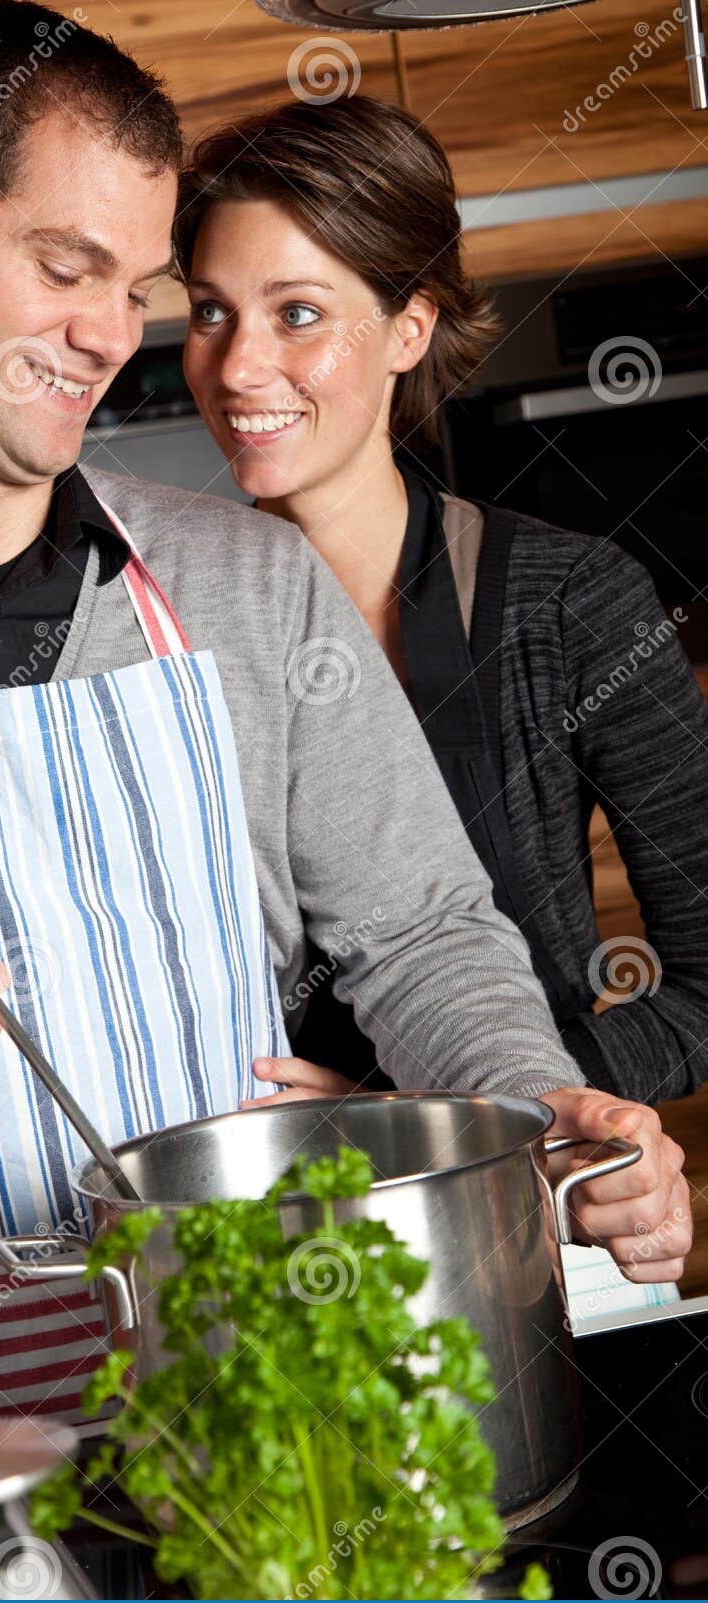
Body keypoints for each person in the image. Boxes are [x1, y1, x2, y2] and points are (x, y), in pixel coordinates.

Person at [0, 3, 688, 1451]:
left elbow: (424, 934)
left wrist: (535, 1121)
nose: (108, 334)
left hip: (269, 1414)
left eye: (133, 283)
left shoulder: (243, 584)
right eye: (62, 267)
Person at [176, 93, 708, 1127]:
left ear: (407, 328)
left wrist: (438, 1111)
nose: (236, 365)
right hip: (227, 1202)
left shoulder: (570, 607)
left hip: (515, 1190)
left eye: (296, 313)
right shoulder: (144, 617)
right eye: (209, 310)